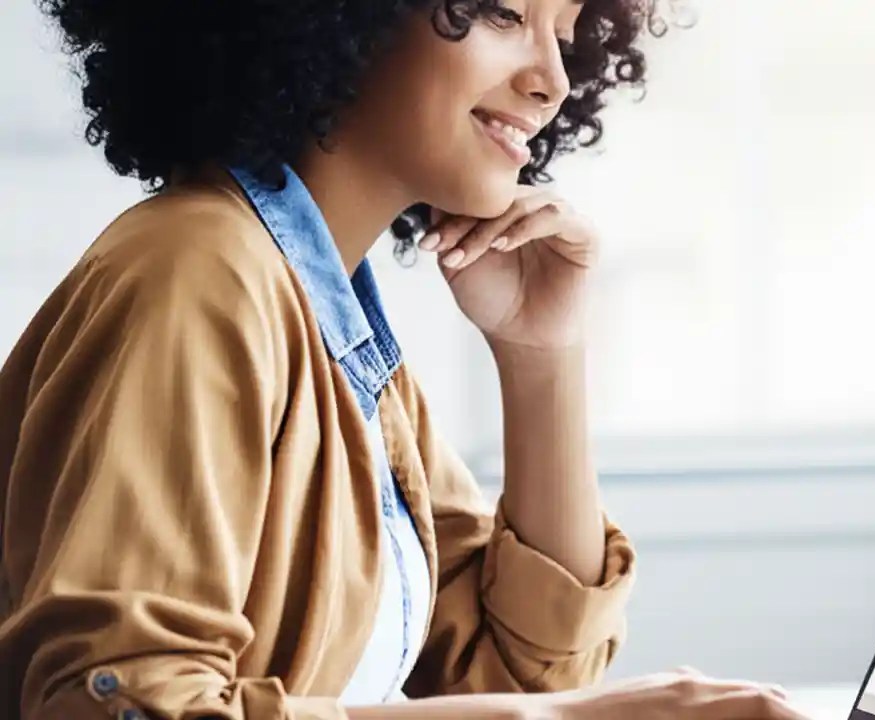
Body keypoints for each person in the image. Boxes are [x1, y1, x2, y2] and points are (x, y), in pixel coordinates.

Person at [0, 1, 811, 718]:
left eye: (562, 34)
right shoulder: (198, 273)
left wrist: (542, 356)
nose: (553, 80)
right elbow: (114, 703)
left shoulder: (337, 332)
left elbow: (522, 672)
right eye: (502, 13)